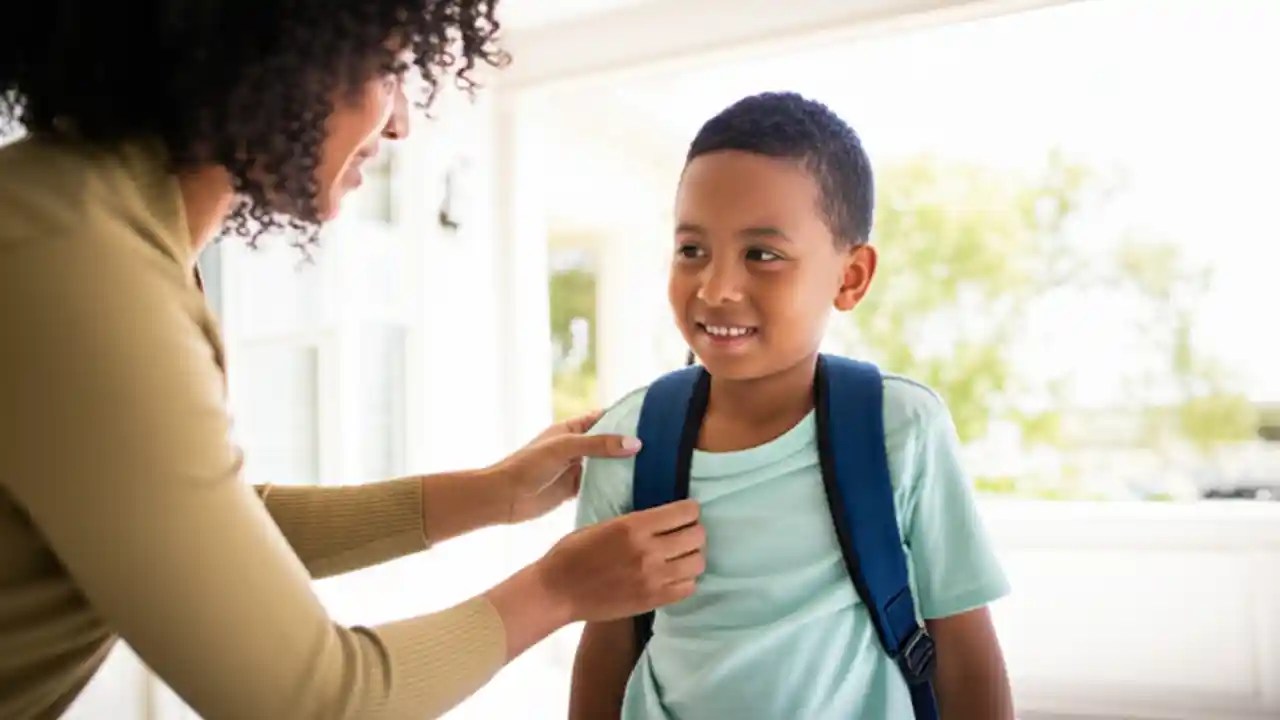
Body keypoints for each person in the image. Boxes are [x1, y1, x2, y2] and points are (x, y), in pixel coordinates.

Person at [0, 2, 707, 719]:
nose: (397, 123)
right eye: (388, 71)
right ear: (276, 50)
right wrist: (559, 590)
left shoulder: (81, 221)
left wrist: (494, 494)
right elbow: (313, 702)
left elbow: (206, 538)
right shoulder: (85, 275)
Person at [568, 92, 1015, 720]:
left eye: (763, 255)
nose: (717, 288)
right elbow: (607, 644)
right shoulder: (627, 442)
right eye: (692, 249)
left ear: (850, 277)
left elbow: (964, 647)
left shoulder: (901, 431)